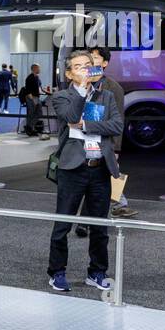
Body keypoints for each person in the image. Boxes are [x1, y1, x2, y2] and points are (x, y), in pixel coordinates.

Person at [45, 51, 123, 294]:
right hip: (72, 169)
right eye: (78, 67)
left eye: (88, 65)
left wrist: (86, 126)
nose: (85, 70)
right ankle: (57, 272)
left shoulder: (106, 95)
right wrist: (80, 91)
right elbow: (69, 116)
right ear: (69, 73)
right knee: (63, 224)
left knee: (100, 226)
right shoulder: (61, 96)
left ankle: (97, 272)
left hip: (99, 168)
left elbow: (117, 125)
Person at [90, 47, 136, 219]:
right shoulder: (82, 83)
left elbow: (118, 119)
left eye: (95, 57)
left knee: (110, 169)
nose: (92, 60)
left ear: (105, 63)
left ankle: (118, 203)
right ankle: (117, 204)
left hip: (105, 138)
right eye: (90, 56)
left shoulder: (113, 88)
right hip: (86, 136)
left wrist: (116, 148)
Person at [20, 64, 50, 137]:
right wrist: (32, 99)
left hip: (37, 97)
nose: (40, 70)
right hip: (31, 97)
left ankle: (29, 127)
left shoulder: (37, 78)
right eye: (38, 68)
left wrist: (47, 92)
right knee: (31, 113)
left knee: (39, 113)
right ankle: (30, 128)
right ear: (34, 69)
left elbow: (40, 88)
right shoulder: (29, 78)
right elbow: (27, 90)